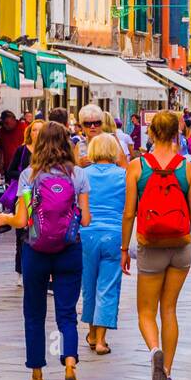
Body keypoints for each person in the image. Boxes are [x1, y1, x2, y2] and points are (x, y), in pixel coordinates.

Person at [0, 122, 89, 380]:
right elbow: (85, 218)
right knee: (66, 314)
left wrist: (6, 218)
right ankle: (70, 364)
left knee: (35, 314)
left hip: (35, 250)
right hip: (69, 249)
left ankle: (37, 375)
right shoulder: (78, 175)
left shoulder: (29, 175)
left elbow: (22, 220)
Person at [121, 110, 191, 380]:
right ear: (177, 133)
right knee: (169, 309)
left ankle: (154, 349)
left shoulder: (137, 166)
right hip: (181, 245)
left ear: (152, 133)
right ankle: (167, 372)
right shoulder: (187, 167)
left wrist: (124, 248)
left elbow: (129, 213)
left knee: (146, 310)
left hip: (150, 245)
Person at [81, 133, 127, 353]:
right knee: (108, 286)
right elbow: (129, 208)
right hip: (115, 233)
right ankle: (100, 340)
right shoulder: (122, 175)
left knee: (88, 285)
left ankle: (91, 333)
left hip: (86, 233)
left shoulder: (82, 174)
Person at [3, 117, 44, 282]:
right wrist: (26, 176)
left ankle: (41, 271)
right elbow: (10, 172)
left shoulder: (49, 151)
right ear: (30, 132)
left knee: (40, 232)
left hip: (44, 197)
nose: (37, 133)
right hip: (24, 194)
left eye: (40, 130)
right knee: (22, 233)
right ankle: (20, 270)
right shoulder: (22, 150)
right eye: (34, 129)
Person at [0, 110, 27, 177]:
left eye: (7, 123)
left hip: (22, 167)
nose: (5, 126)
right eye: (3, 123)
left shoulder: (24, 128)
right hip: (8, 168)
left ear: (14, 119)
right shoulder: (2, 131)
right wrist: (0, 166)